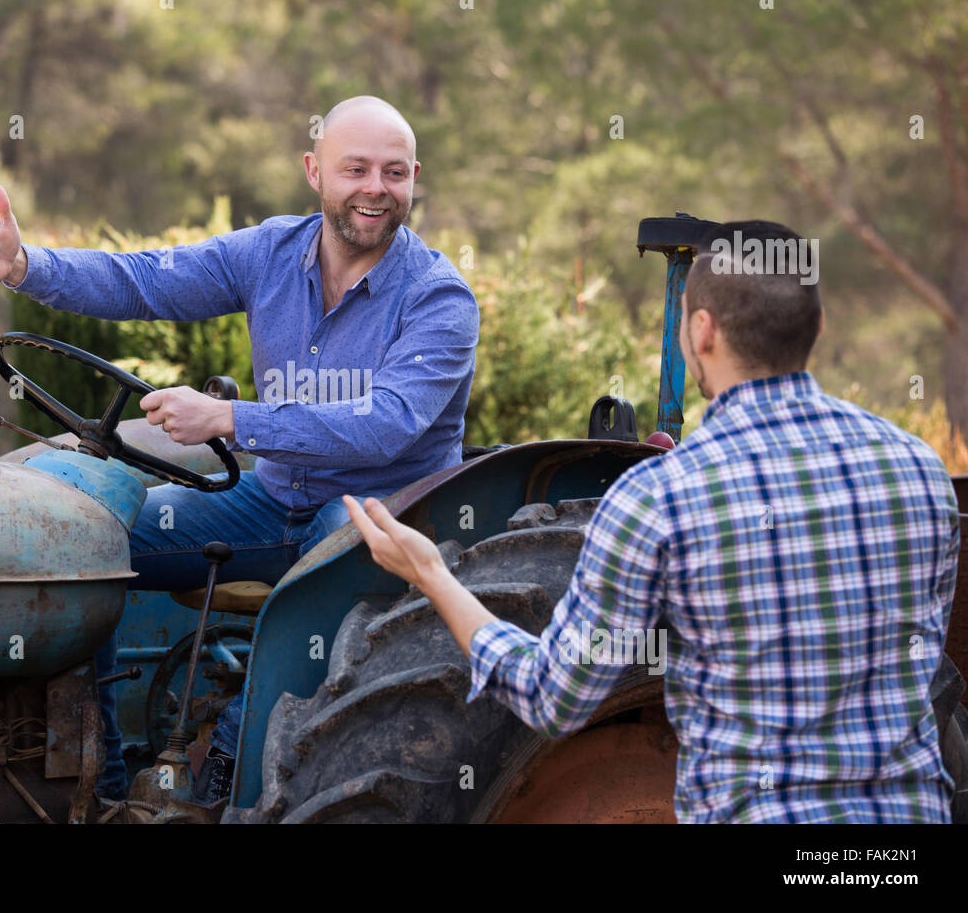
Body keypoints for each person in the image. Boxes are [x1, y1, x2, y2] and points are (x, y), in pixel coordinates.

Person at [344, 219, 961, 823]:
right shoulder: (919, 470)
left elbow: (552, 699)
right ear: (818, 327)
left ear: (702, 330)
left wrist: (432, 574)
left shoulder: (660, 498)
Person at [0, 96, 480, 804]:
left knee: (320, 584)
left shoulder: (439, 299)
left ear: (415, 176)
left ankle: (211, 792)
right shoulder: (269, 253)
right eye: (355, 169)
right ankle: (101, 789)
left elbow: (385, 424)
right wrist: (26, 265)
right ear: (314, 171)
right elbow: (146, 280)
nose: (375, 189)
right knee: (80, 546)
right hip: (270, 501)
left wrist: (230, 417)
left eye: (393, 172)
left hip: (378, 519)